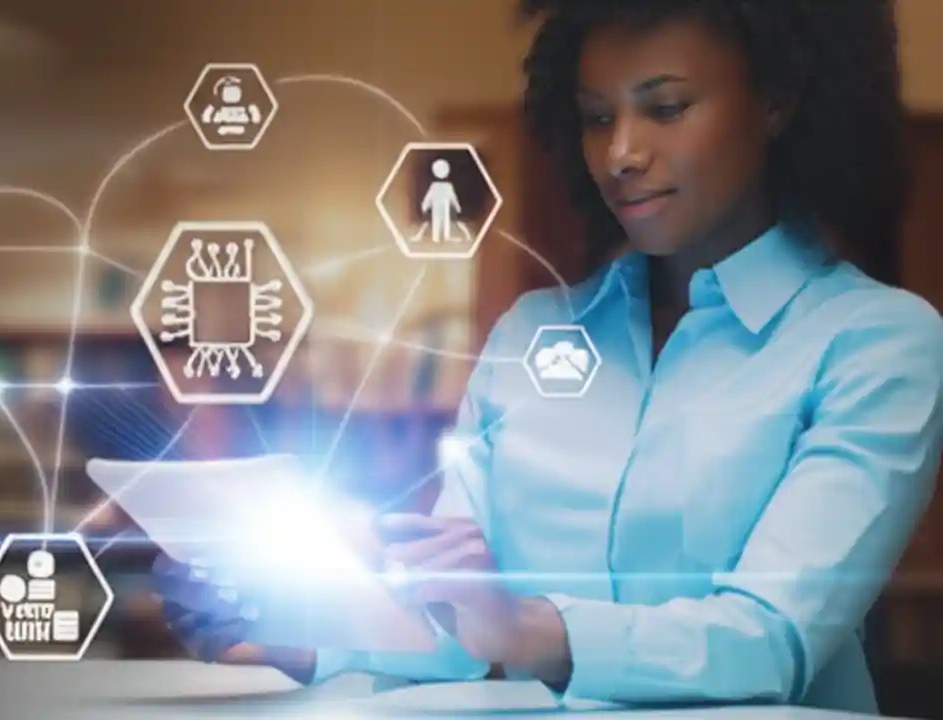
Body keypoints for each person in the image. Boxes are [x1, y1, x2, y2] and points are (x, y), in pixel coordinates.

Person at [152, 0, 943, 712]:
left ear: (778, 100)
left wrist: (530, 627)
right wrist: (285, 635)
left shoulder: (876, 343)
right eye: (596, 118)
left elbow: (769, 639)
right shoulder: (533, 334)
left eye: (665, 108)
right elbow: (459, 624)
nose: (621, 154)